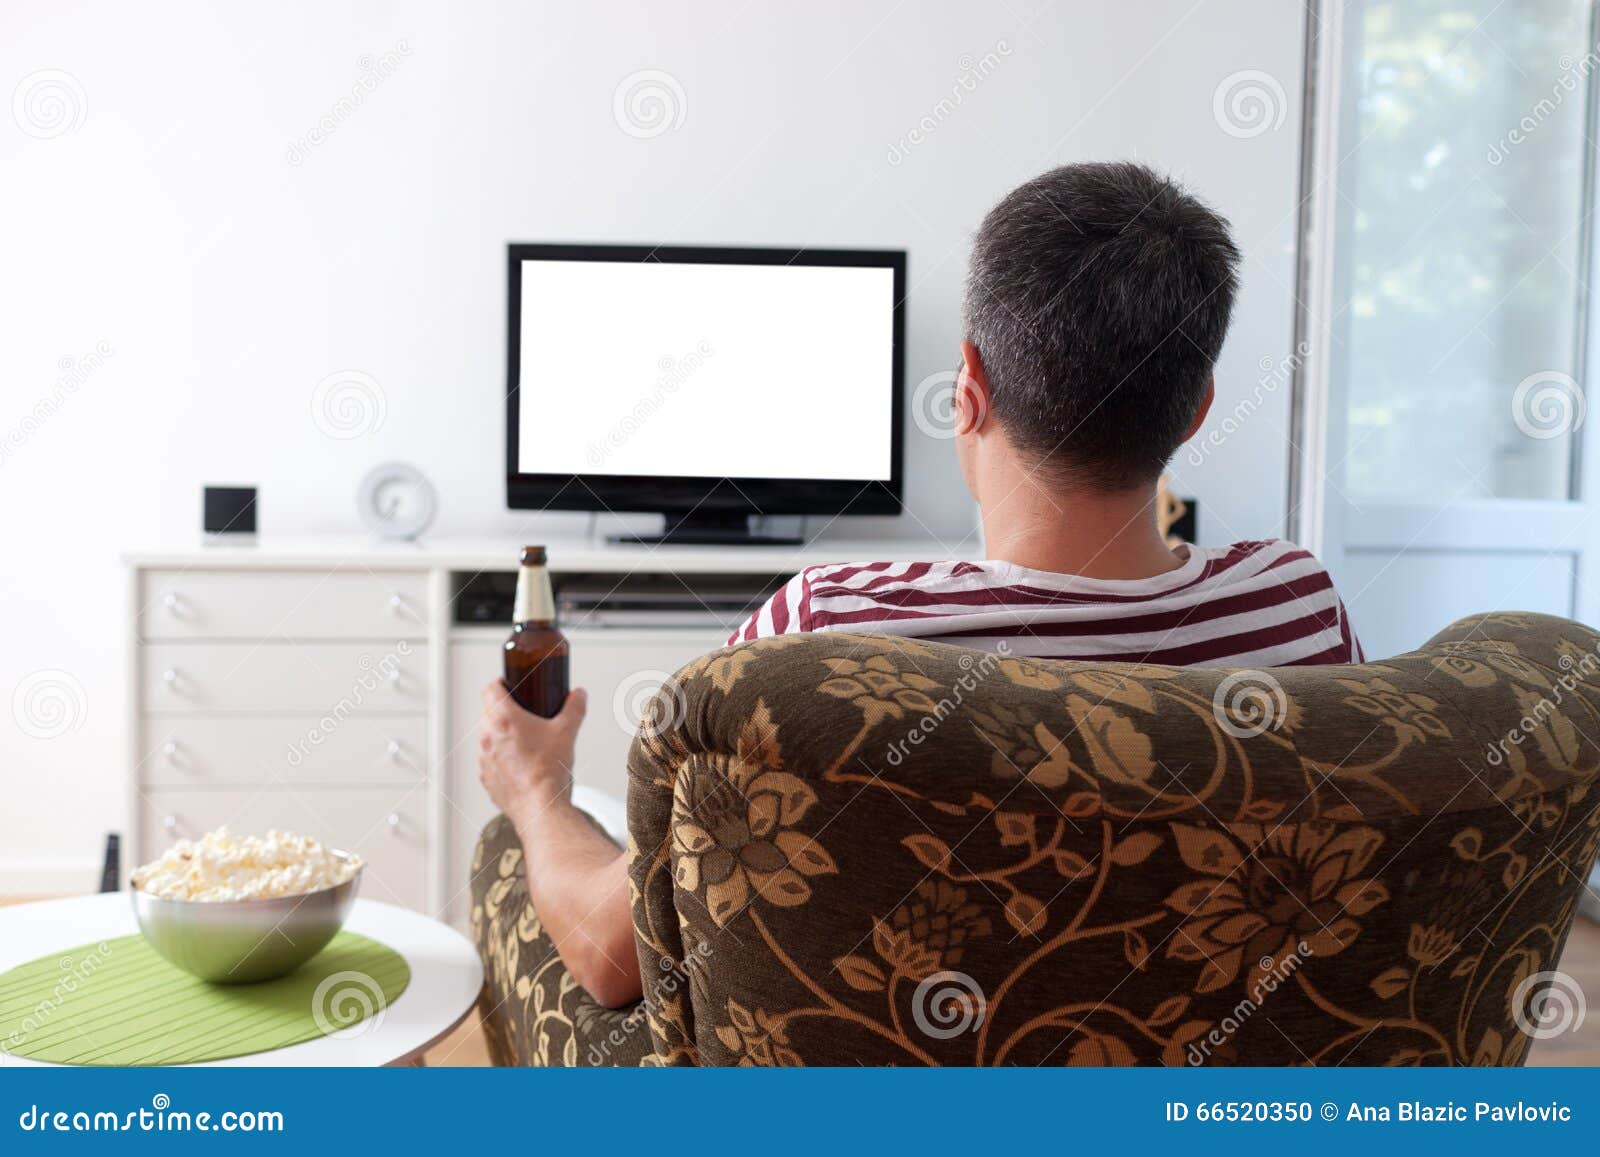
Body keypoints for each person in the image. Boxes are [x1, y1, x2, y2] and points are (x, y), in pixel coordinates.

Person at [477, 161, 1363, 1009]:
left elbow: (609, 957)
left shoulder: (824, 629)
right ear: (1199, 404)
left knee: (524, 845)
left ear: (967, 390)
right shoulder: (1301, 607)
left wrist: (536, 787)